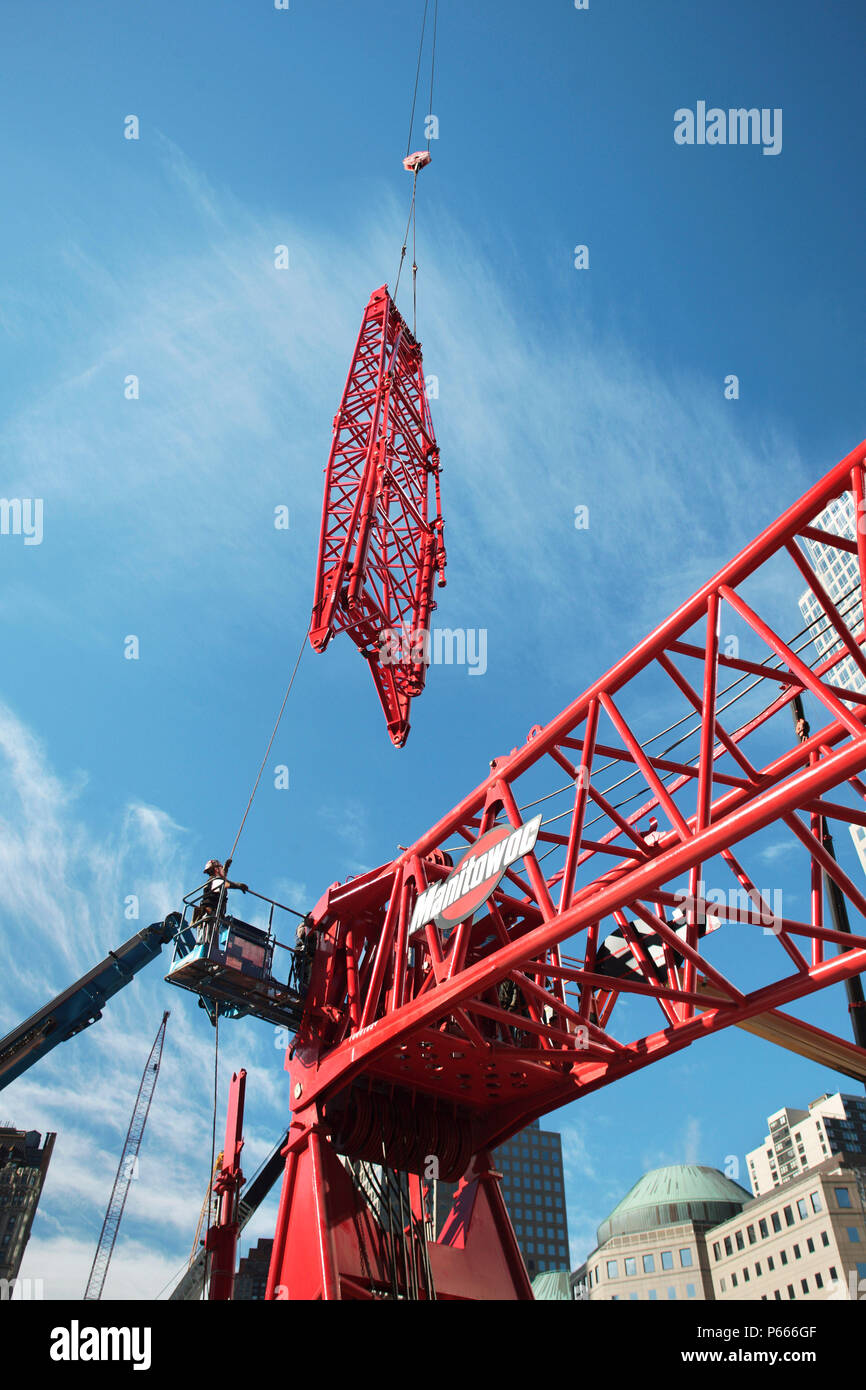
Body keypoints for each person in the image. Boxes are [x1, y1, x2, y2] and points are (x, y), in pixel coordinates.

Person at [193, 859, 249, 940]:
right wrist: (238, 885)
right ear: (216, 869)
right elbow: (224, 883)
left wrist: (226, 867)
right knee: (207, 942)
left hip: (211, 917)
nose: (223, 870)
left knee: (211, 942)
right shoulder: (214, 881)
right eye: (221, 868)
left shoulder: (213, 881)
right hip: (210, 916)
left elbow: (222, 877)